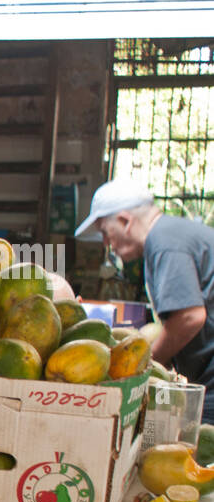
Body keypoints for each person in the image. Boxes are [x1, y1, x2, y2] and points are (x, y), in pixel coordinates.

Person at [76, 178, 214, 421]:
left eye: (105, 233)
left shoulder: (165, 242)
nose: (107, 245)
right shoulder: (170, 235)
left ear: (124, 221)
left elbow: (189, 317)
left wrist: (145, 364)